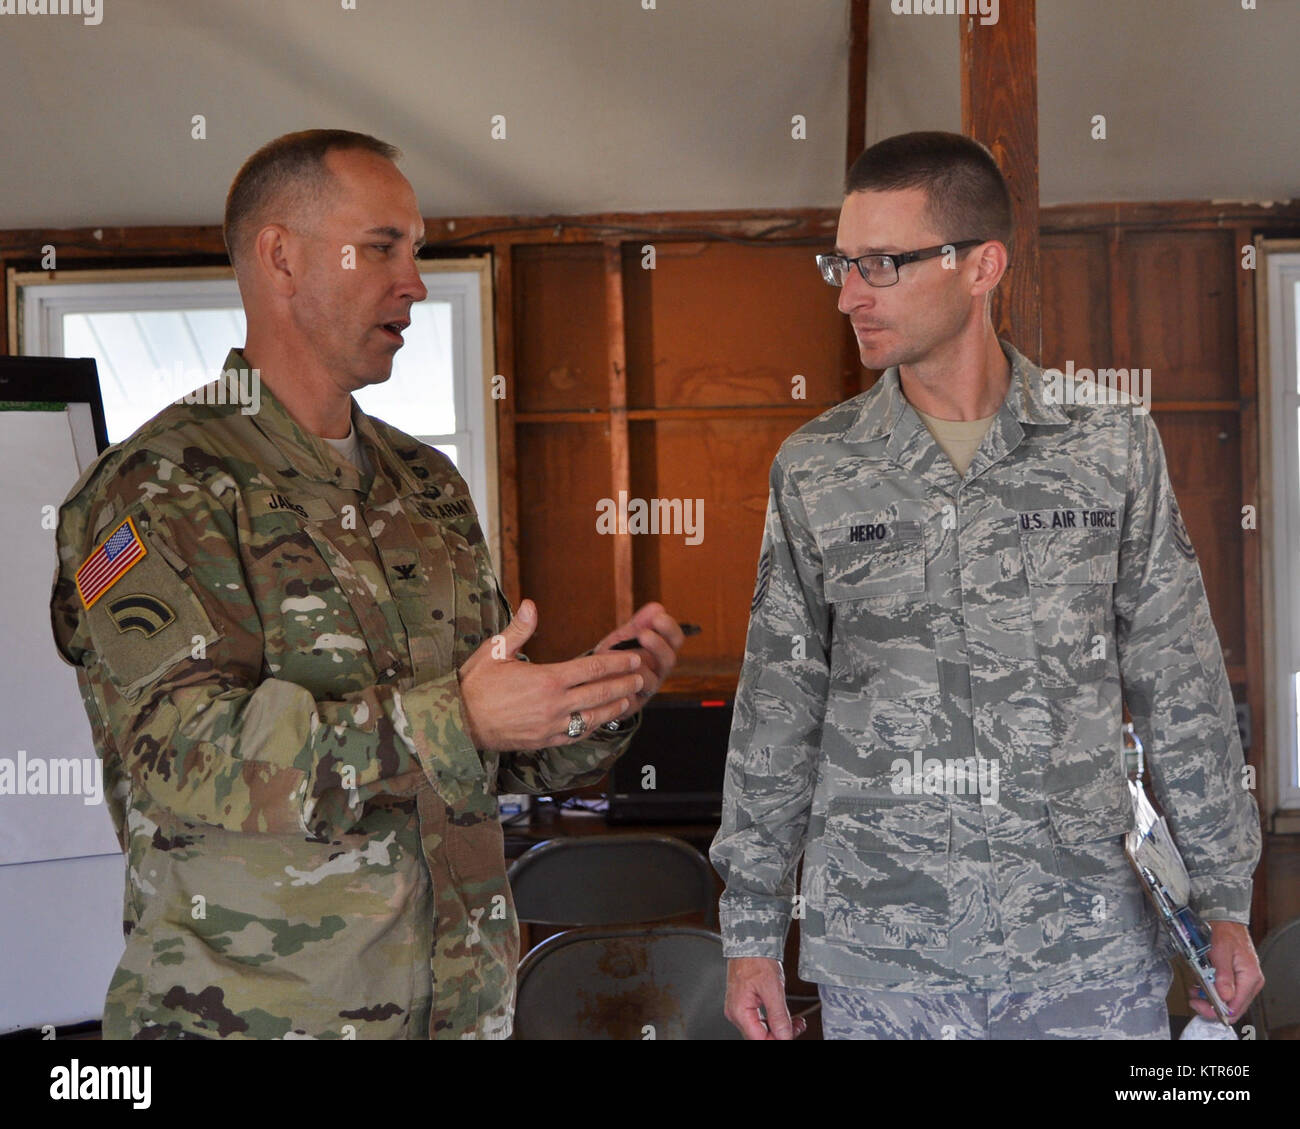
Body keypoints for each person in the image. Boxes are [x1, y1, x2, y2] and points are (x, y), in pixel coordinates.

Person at [50, 129, 686, 1040]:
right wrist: (456, 717)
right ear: (280, 257)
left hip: (460, 1015)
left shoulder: (426, 483)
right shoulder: (154, 488)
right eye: (382, 247)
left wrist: (592, 699)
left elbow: (496, 753)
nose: (415, 282)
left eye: (416, 250)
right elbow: (182, 756)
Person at [709, 131, 1263, 1040]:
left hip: (1082, 944)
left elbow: (1180, 678)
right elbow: (778, 705)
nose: (849, 295)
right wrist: (753, 928)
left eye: (881, 264)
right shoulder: (817, 468)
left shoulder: (1109, 445)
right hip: (887, 950)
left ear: (981, 266)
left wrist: (1222, 896)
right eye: (841, 264)